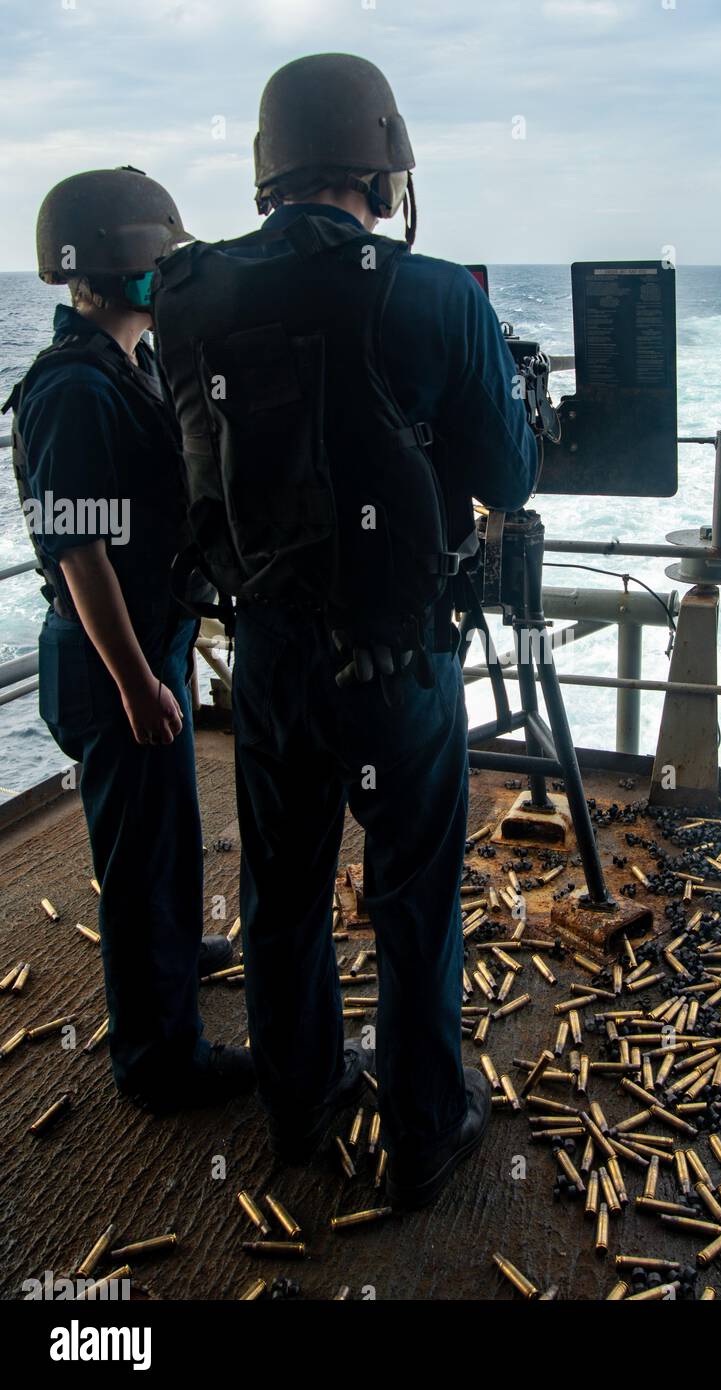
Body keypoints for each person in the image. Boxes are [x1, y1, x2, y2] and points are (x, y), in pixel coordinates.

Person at [152, 54, 538, 1204]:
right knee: (411, 896)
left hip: (266, 660)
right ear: (384, 162)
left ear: (270, 165)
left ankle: (299, 1105)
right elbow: (505, 476)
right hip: (397, 667)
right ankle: (426, 1126)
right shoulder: (432, 297)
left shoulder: (185, 290)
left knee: (280, 894)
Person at [2, 167, 254, 1111]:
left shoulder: (129, 366)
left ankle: (176, 959)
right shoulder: (71, 390)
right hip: (115, 662)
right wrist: (140, 679)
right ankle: (158, 1064)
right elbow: (80, 554)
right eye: (163, 256)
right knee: (142, 859)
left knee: (166, 835)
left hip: (148, 648)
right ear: (133, 266)